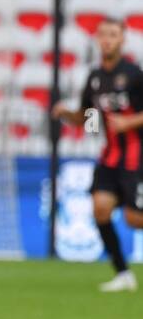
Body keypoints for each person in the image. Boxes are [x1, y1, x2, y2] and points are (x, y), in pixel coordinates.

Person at [53, 16, 143, 291]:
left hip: (137, 156)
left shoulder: (134, 74)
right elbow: (89, 119)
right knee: (100, 208)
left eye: (113, 35)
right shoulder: (94, 78)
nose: (107, 40)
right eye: (103, 35)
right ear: (97, 39)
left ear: (122, 39)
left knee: (134, 219)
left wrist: (130, 122)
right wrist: (66, 114)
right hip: (111, 156)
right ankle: (123, 274)